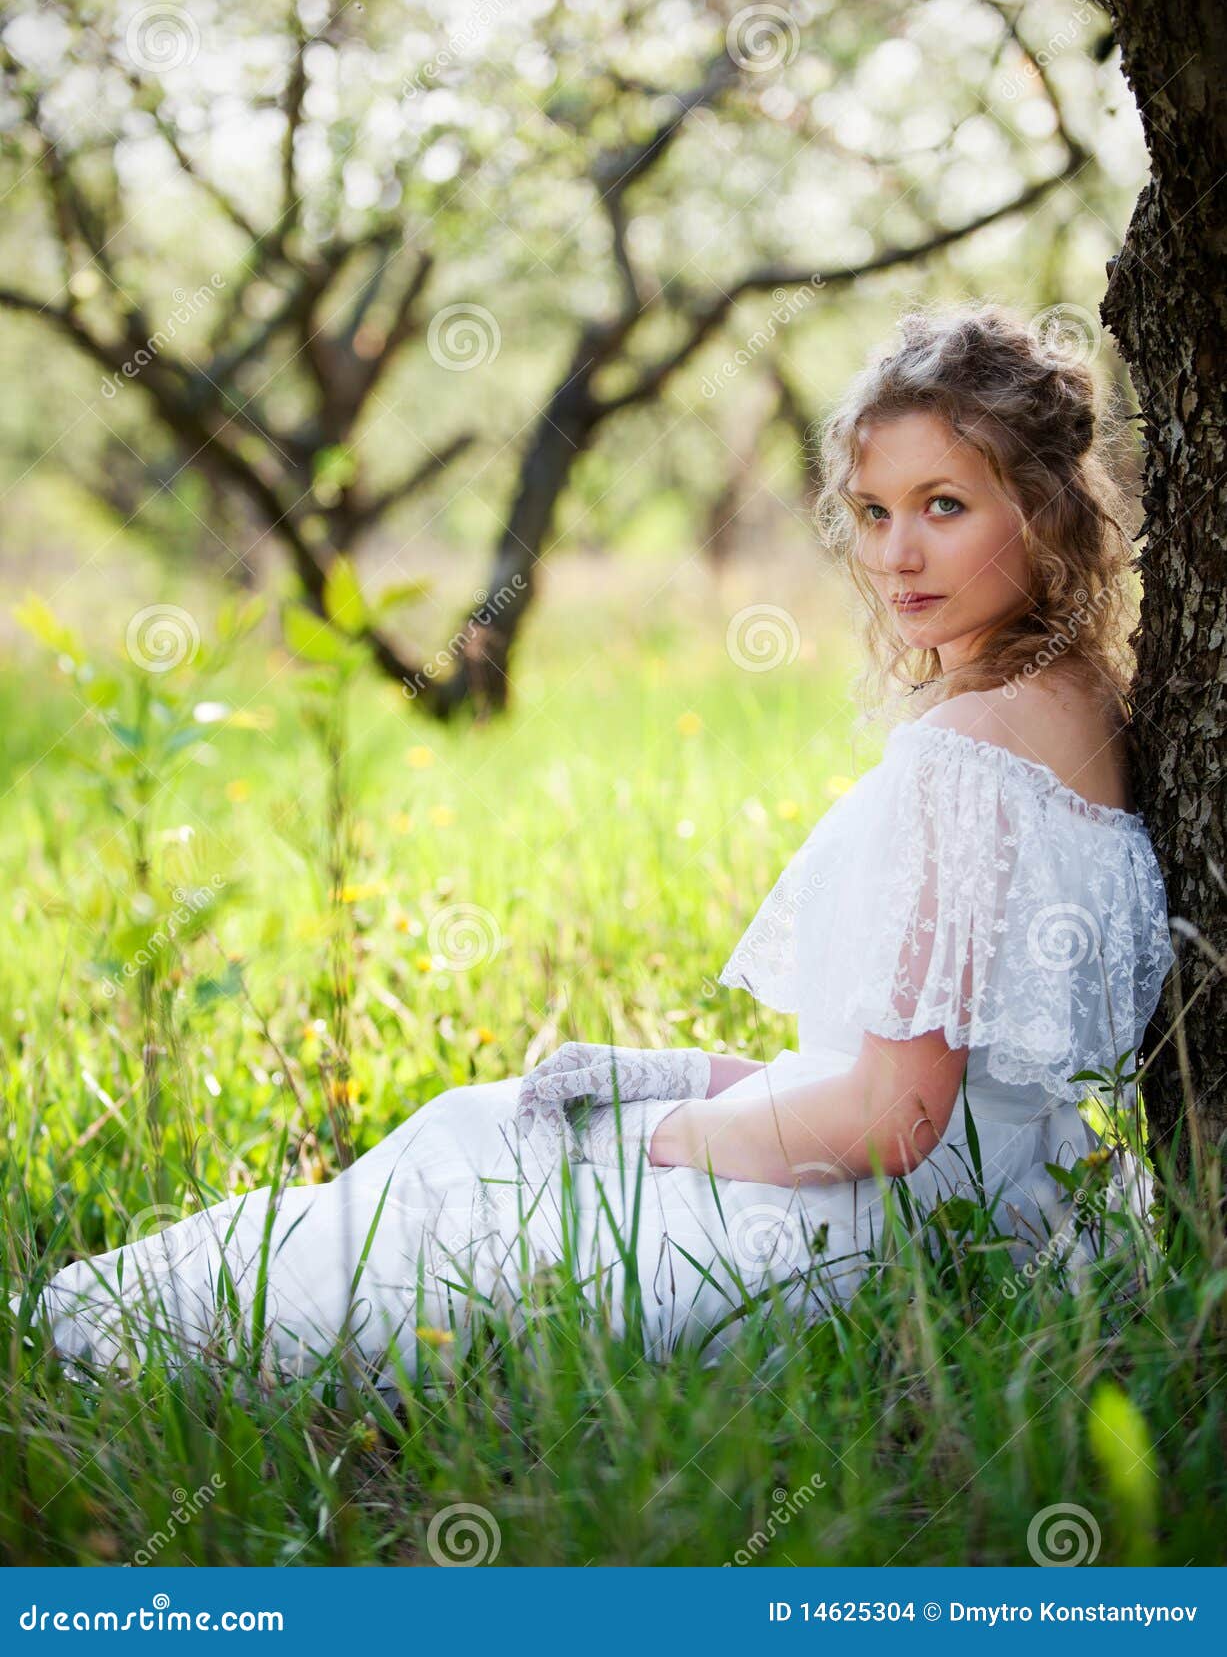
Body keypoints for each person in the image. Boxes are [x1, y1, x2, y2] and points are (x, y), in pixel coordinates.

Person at [24, 302, 1176, 1393]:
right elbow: (968, 1083)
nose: (898, 556)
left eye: (944, 505)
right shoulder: (1089, 704)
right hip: (1015, 1206)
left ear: (1043, 507)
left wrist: (664, 1135)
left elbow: (893, 1117)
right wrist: (681, 1078)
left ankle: (109, 1327)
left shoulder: (961, 756)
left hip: (863, 1226)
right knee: (495, 1124)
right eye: (874, 513)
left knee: (479, 1172)